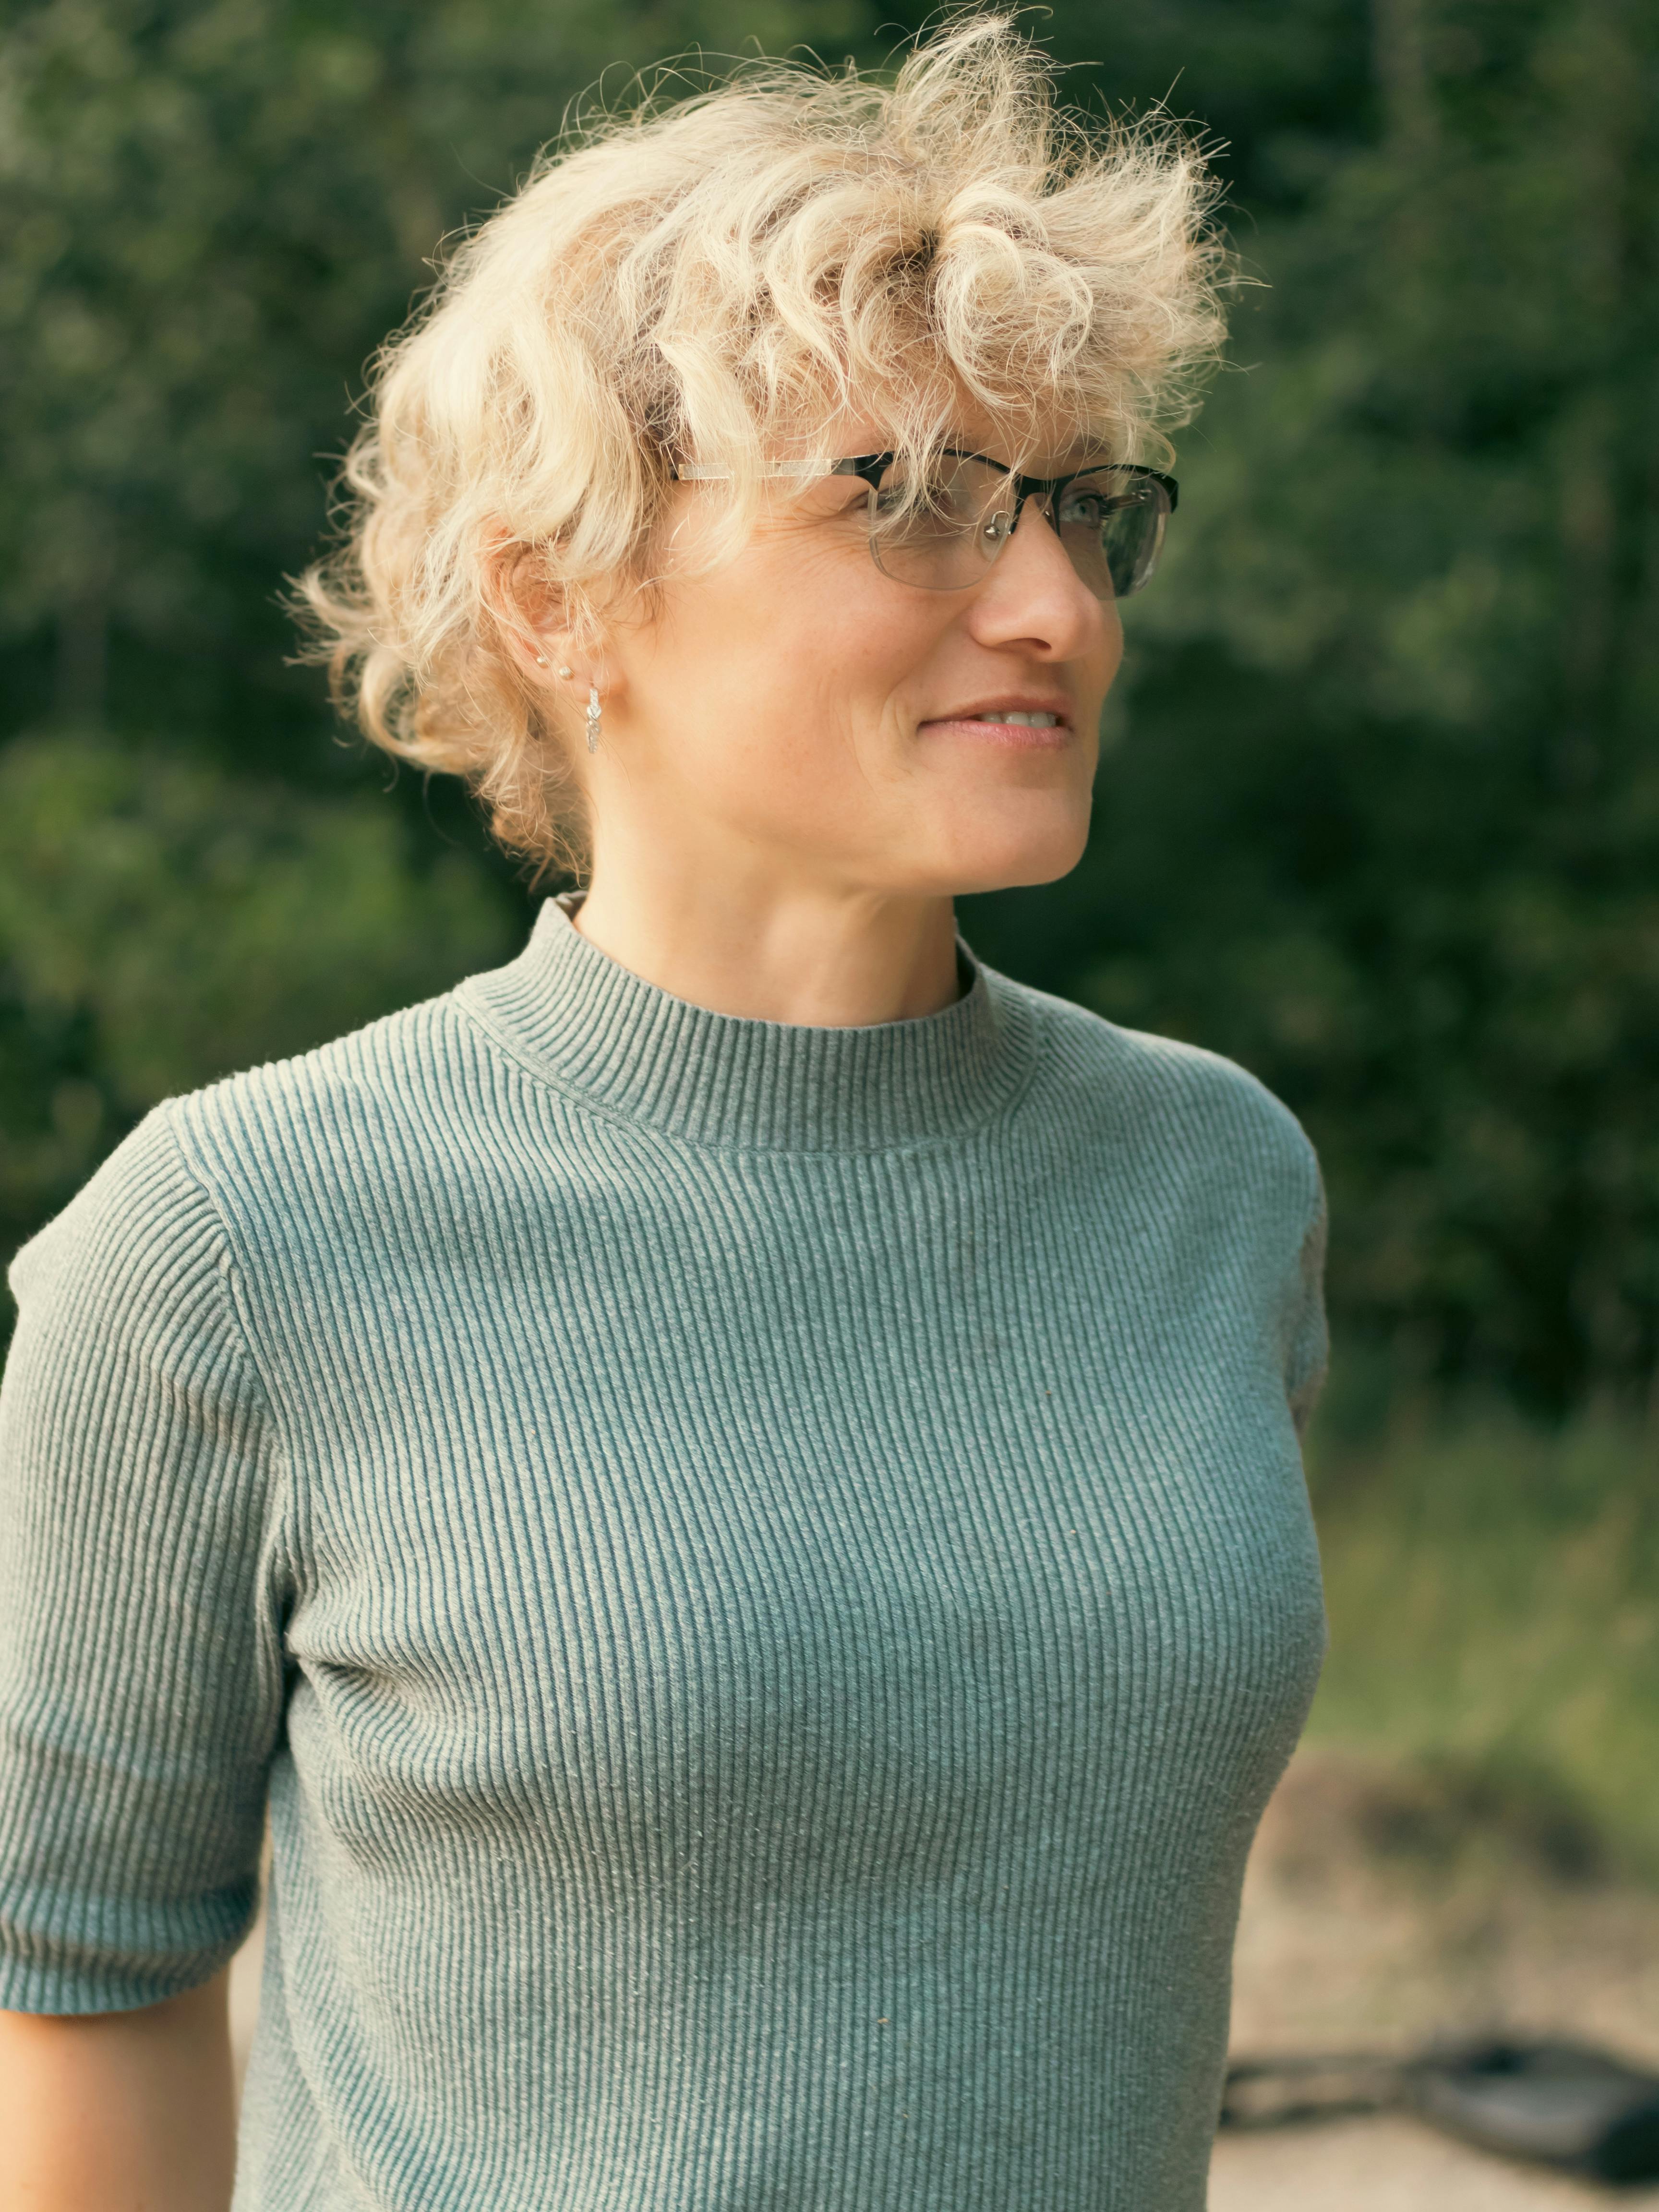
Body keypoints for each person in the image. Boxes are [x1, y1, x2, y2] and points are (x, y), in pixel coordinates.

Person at [0, 17, 1328, 2210]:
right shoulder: (232, 1240)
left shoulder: (1214, 1186)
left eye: (1090, 509)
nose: (1056, 605)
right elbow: (85, 1973)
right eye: (903, 500)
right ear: (556, 593)